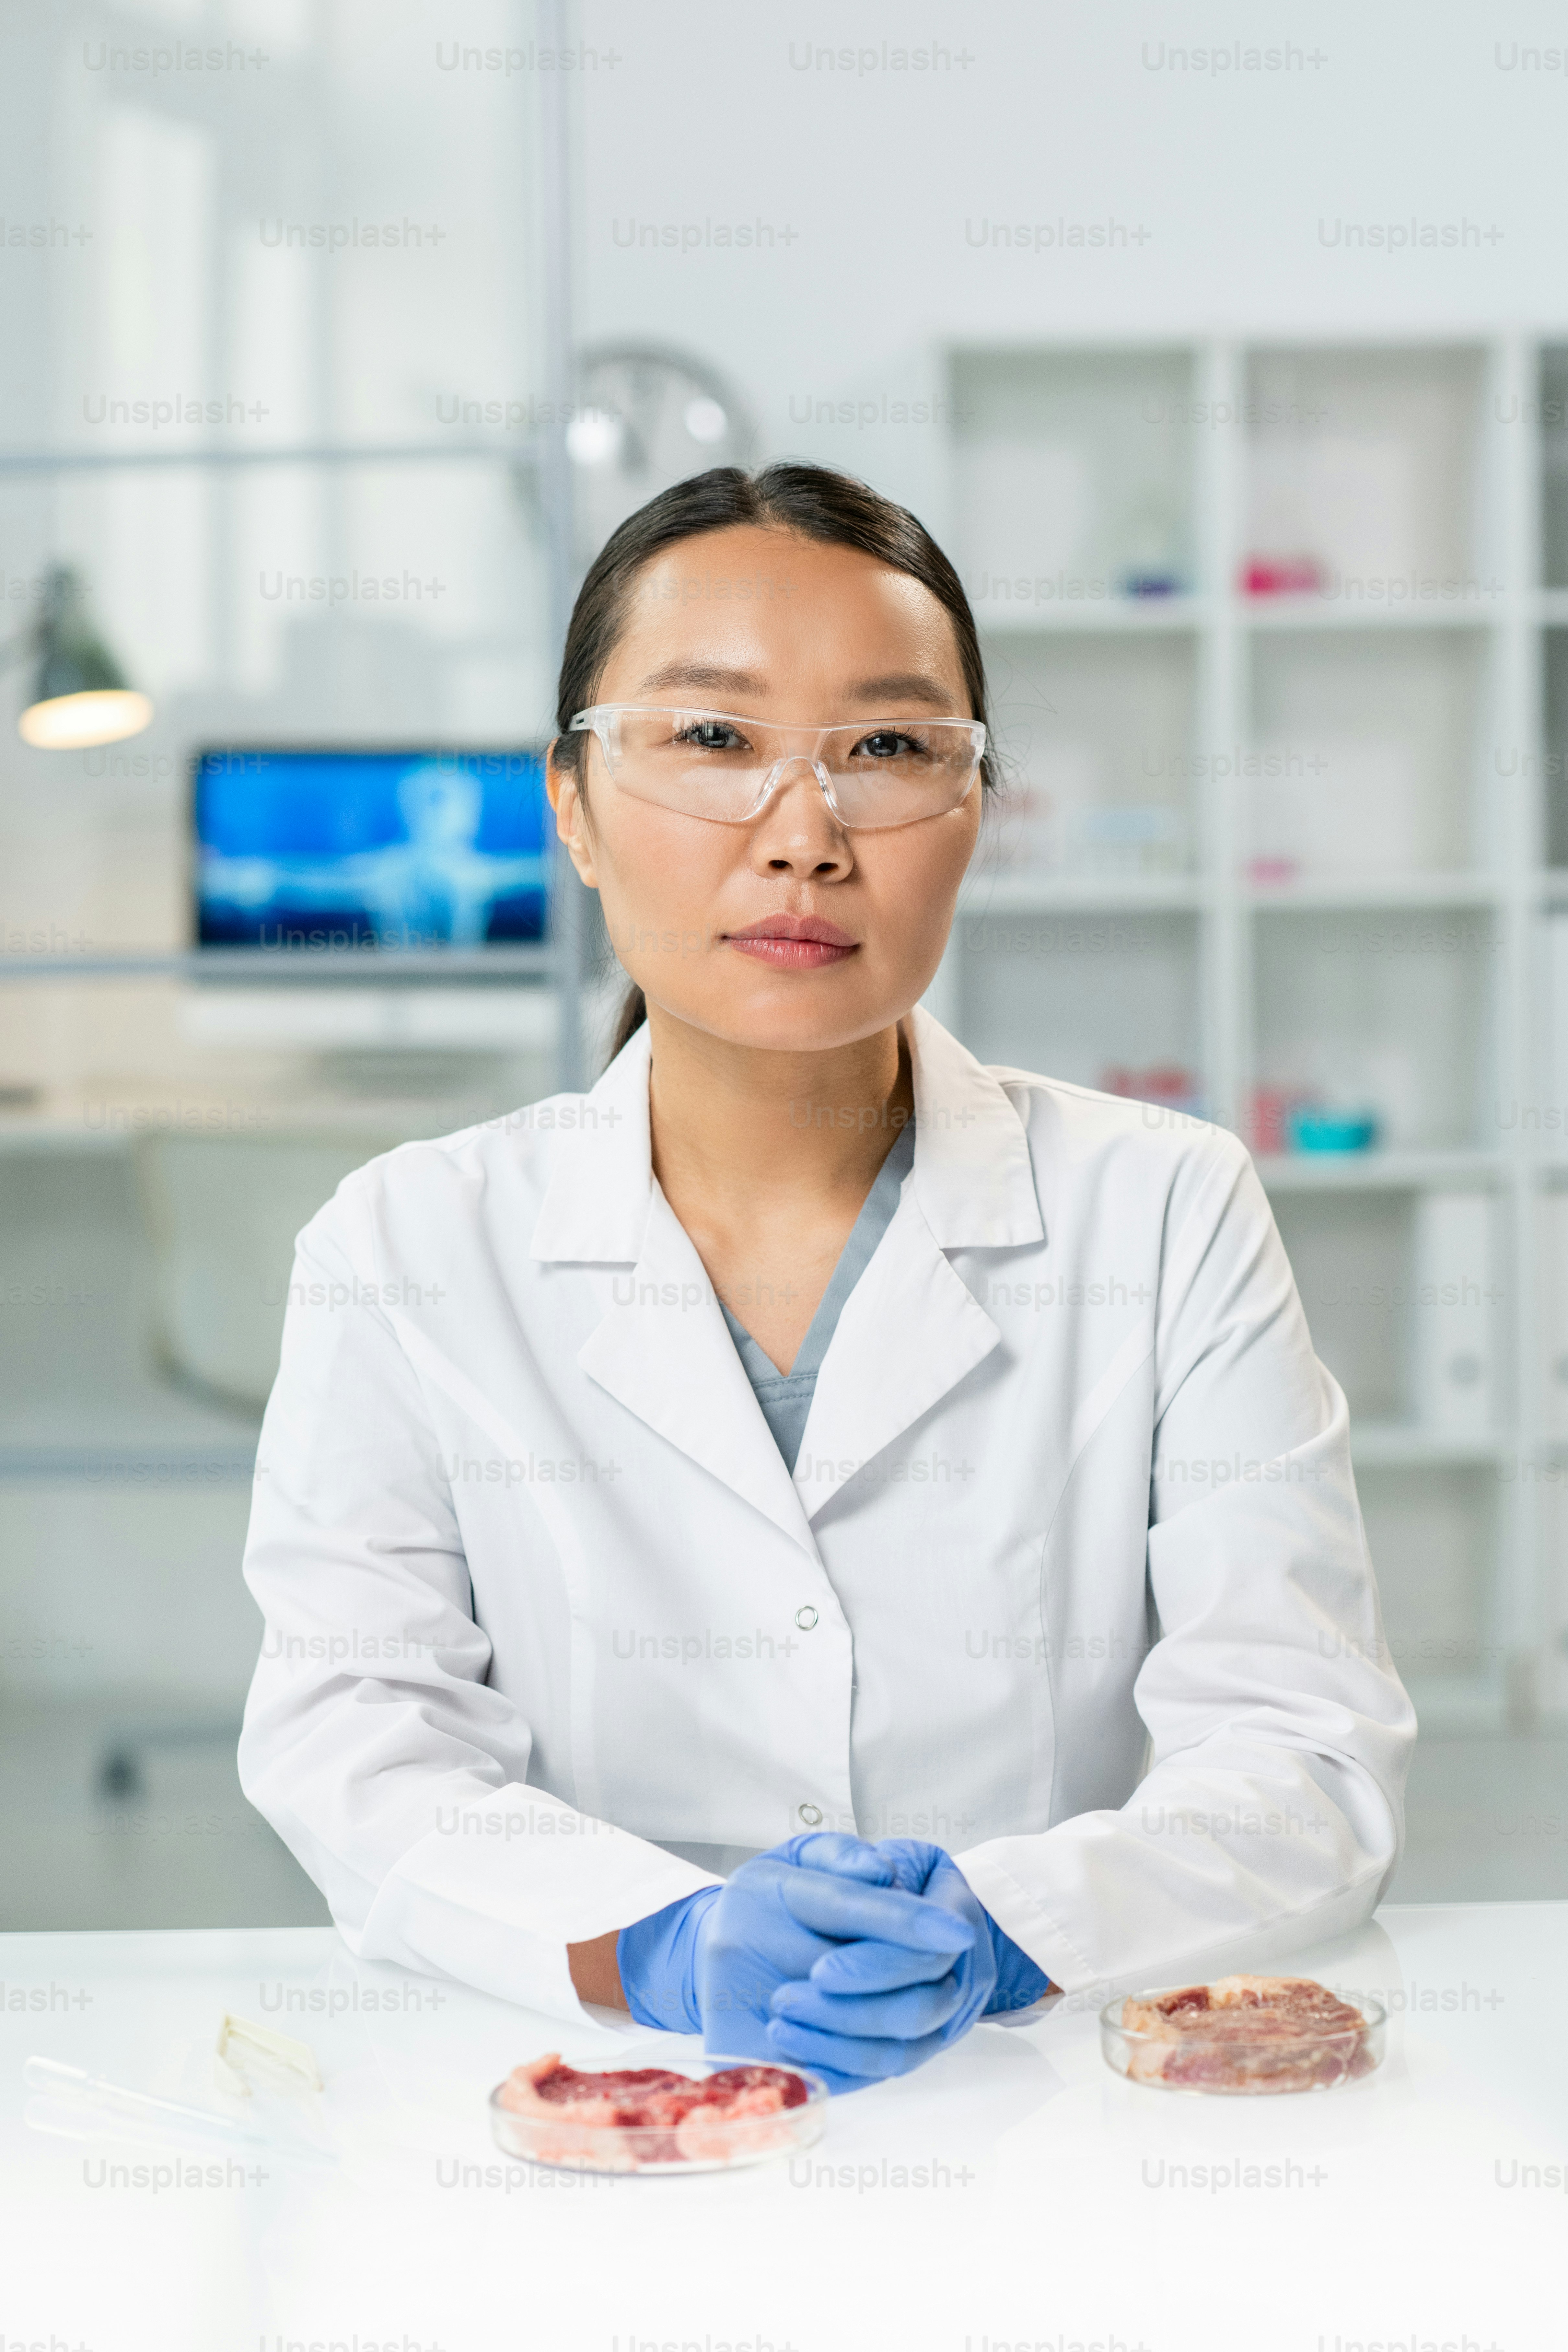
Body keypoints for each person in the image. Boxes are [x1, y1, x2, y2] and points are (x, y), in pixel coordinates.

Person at [239, 462, 1415, 2093]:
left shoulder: (1165, 1211)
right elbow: (350, 1736)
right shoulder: (402, 1245)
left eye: (886, 749)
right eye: (711, 740)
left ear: (975, 812)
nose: (804, 838)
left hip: (1035, 2101)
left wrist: (1006, 1922)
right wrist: (652, 1943)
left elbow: (1301, 1753)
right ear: (570, 805)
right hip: (595, 2105)